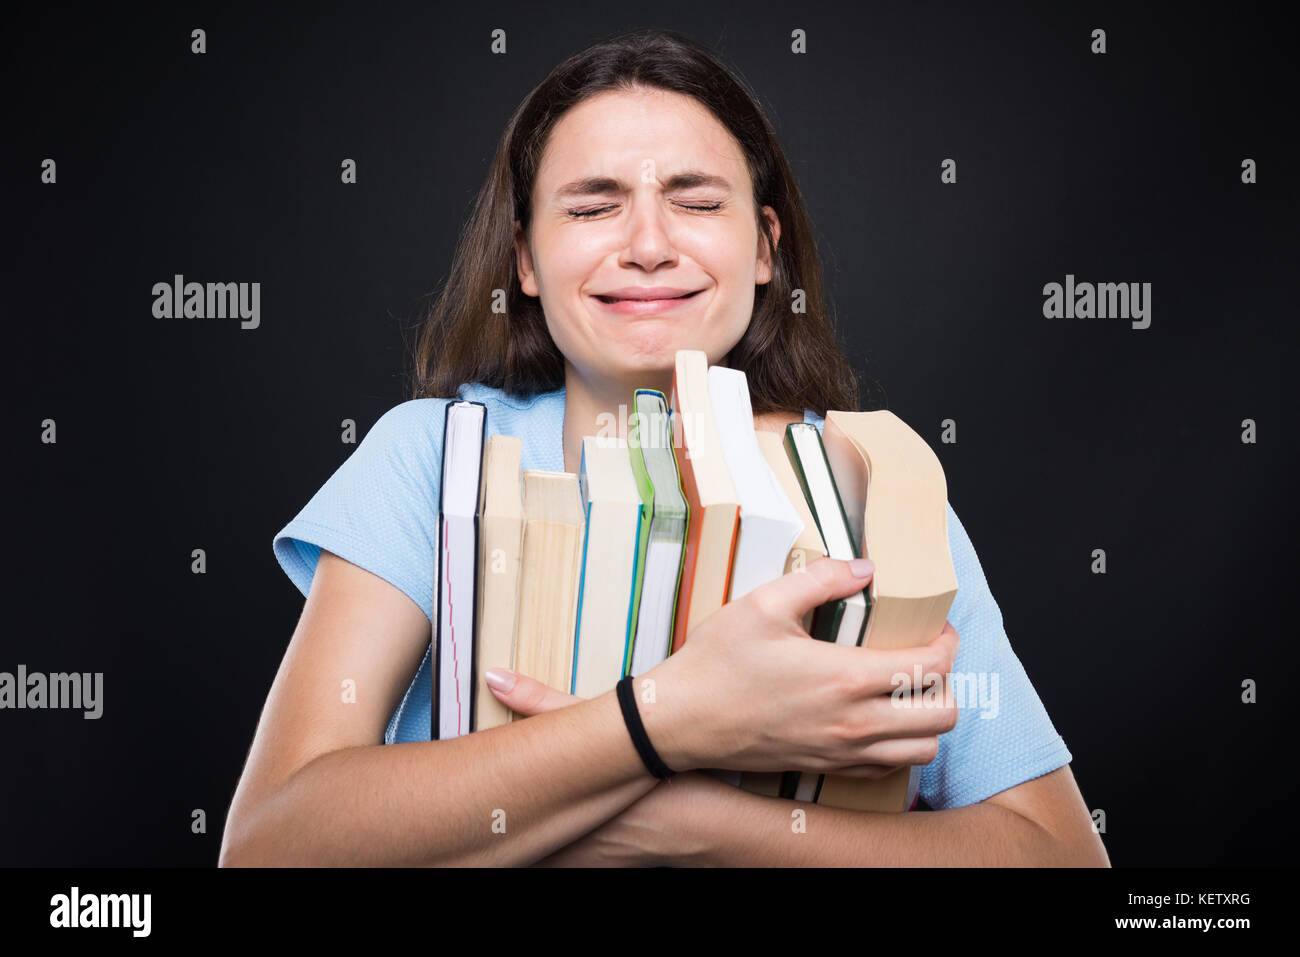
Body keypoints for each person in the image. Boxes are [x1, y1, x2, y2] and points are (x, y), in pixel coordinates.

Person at [219, 29, 1108, 867]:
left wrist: (680, 822)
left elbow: (1057, 854)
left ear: (765, 249)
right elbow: (269, 844)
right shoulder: (431, 462)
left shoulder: (873, 489)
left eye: (695, 201)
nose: (648, 245)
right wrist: (672, 719)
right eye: (593, 206)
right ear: (524, 261)